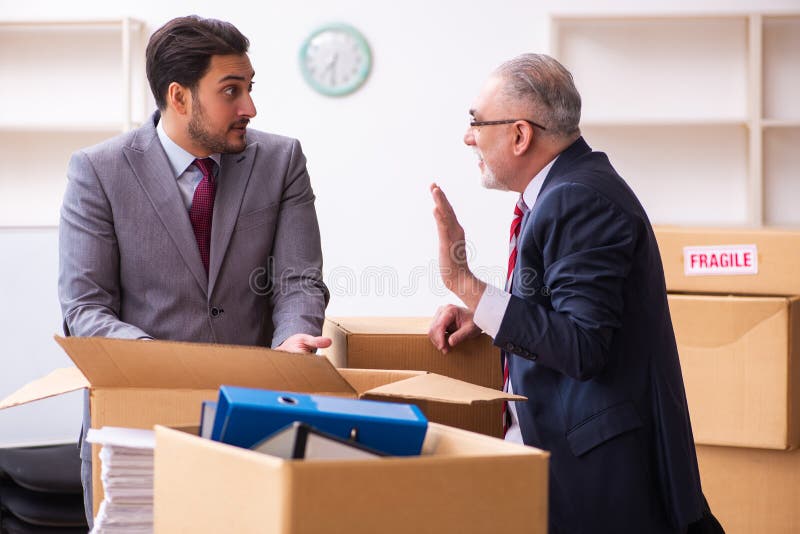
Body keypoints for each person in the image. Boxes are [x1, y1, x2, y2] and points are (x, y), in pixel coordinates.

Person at [58, 16, 330, 524]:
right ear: (179, 97)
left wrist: (292, 343)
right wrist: (174, 369)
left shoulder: (281, 159)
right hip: (138, 423)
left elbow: (299, 281)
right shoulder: (98, 171)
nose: (249, 107)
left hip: (255, 418)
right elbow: (85, 310)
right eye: (232, 91)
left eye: (249, 88)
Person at [428, 54, 716, 533]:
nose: (468, 136)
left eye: (476, 122)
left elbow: (583, 346)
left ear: (520, 135)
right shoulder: (564, 190)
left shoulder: (577, 198)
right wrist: (484, 313)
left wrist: (467, 285)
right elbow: (568, 308)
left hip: (594, 478)